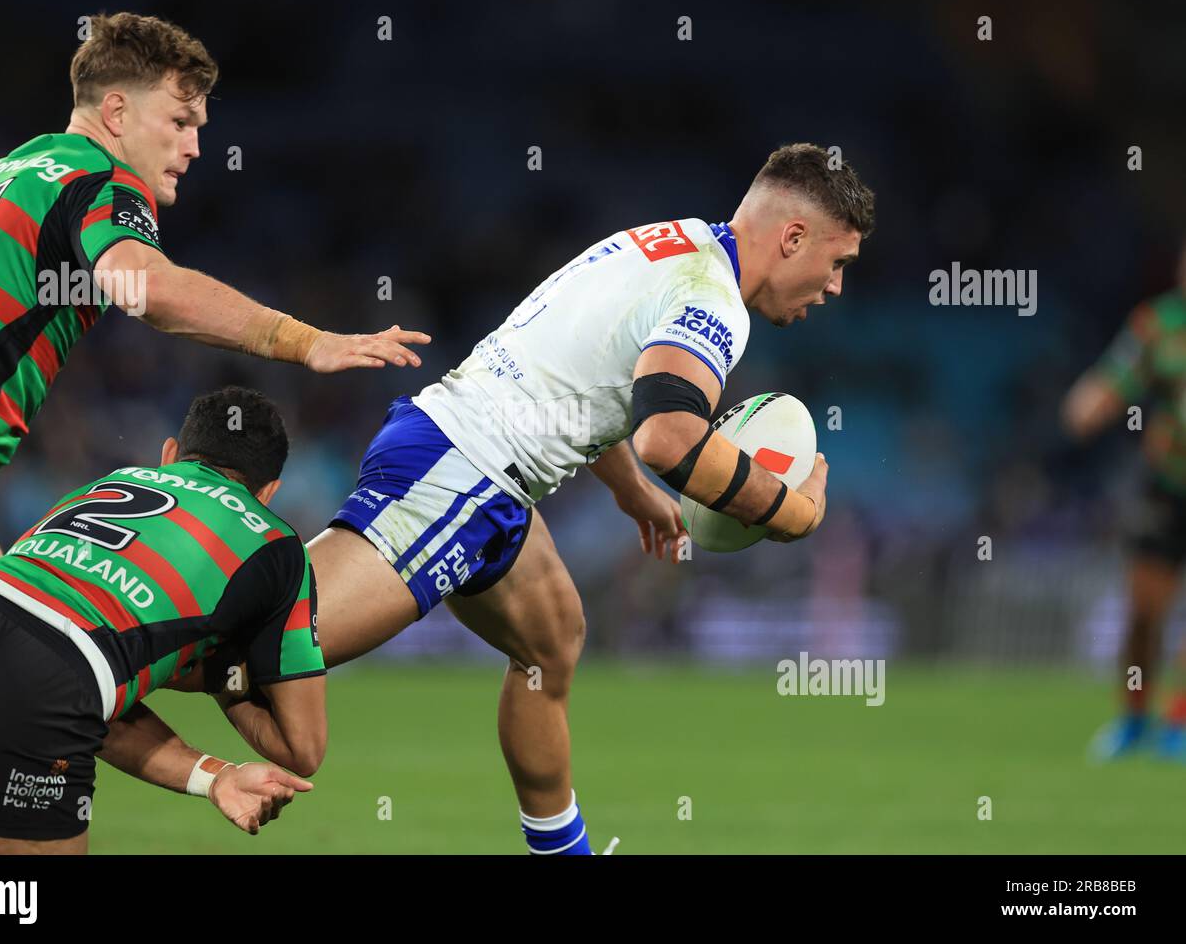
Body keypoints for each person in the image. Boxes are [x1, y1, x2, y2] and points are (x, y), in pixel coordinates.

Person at [0, 10, 426, 828]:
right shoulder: (98, 182)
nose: (195, 146)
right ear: (115, 114)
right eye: (180, 120)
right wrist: (305, 340)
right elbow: (150, 289)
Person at [303, 143, 873, 853]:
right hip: (461, 471)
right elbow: (669, 437)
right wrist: (791, 513)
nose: (835, 286)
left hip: (471, 459)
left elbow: (585, 367)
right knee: (285, 637)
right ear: (793, 238)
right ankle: (126, 650)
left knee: (550, 644)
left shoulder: (678, 242)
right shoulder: (714, 301)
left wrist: (629, 490)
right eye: (839, 262)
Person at [0, 386, 327, 853]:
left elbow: (75, 668)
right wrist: (222, 668)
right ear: (269, 492)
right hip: (47, 680)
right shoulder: (279, 546)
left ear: (170, 454)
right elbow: (302, 747)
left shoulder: (111, 483)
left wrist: (210, 777)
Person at [1063, 238, 1186, 761]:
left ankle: (1178, 724)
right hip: (1165, 487)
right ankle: (1134, 719)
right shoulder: (1157, 324)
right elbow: (1113, 379)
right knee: (1144, 614)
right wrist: (1093, 403)